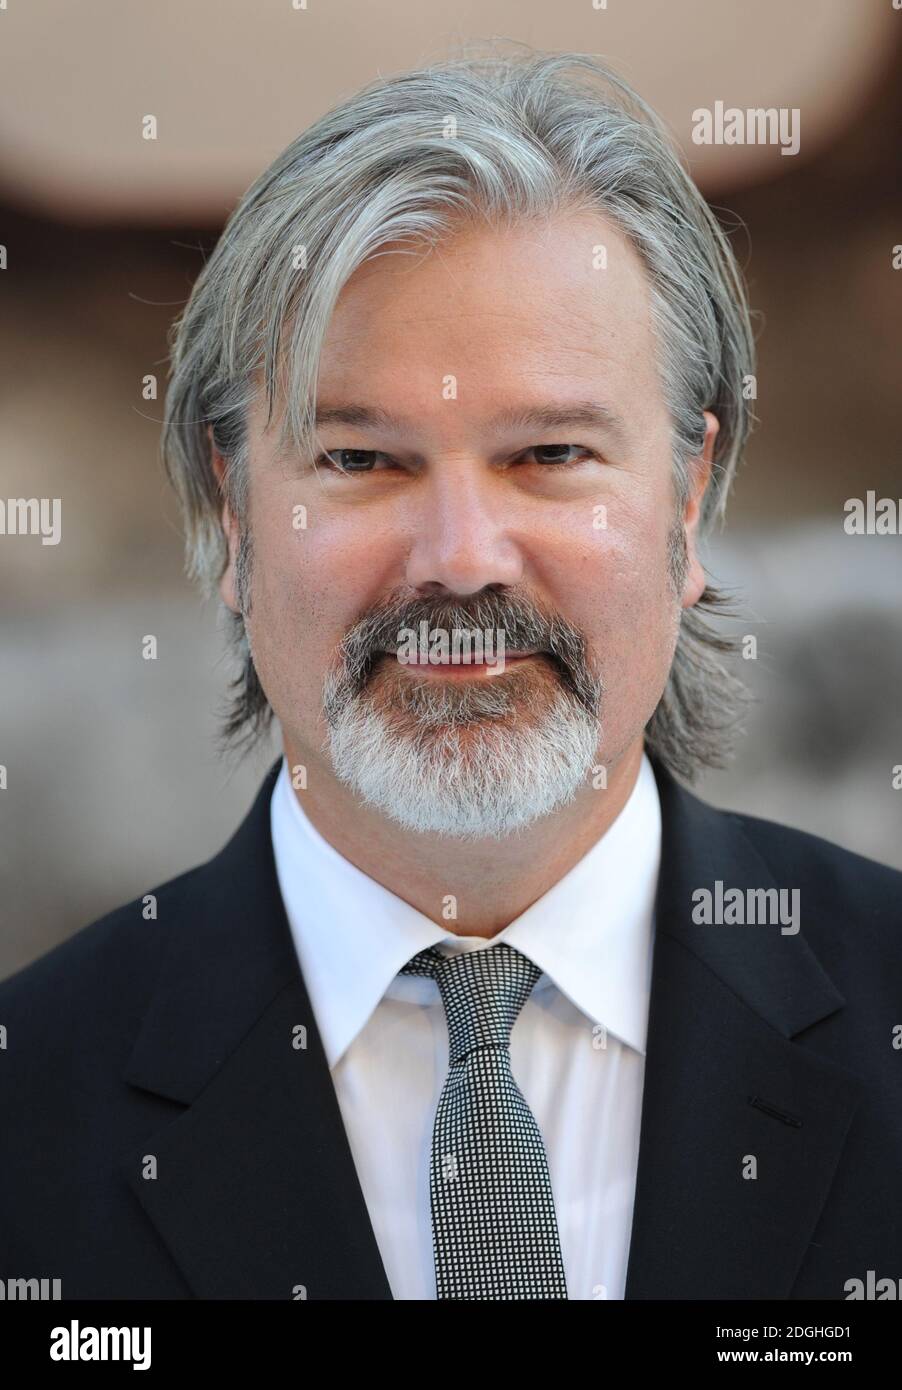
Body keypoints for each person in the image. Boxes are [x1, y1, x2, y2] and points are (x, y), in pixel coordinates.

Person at [1, 48, 900, 1302]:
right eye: (362, 461)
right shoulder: (25, 1109)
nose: (459, 560)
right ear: (232, 518)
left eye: (548, 452)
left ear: (686, 504)